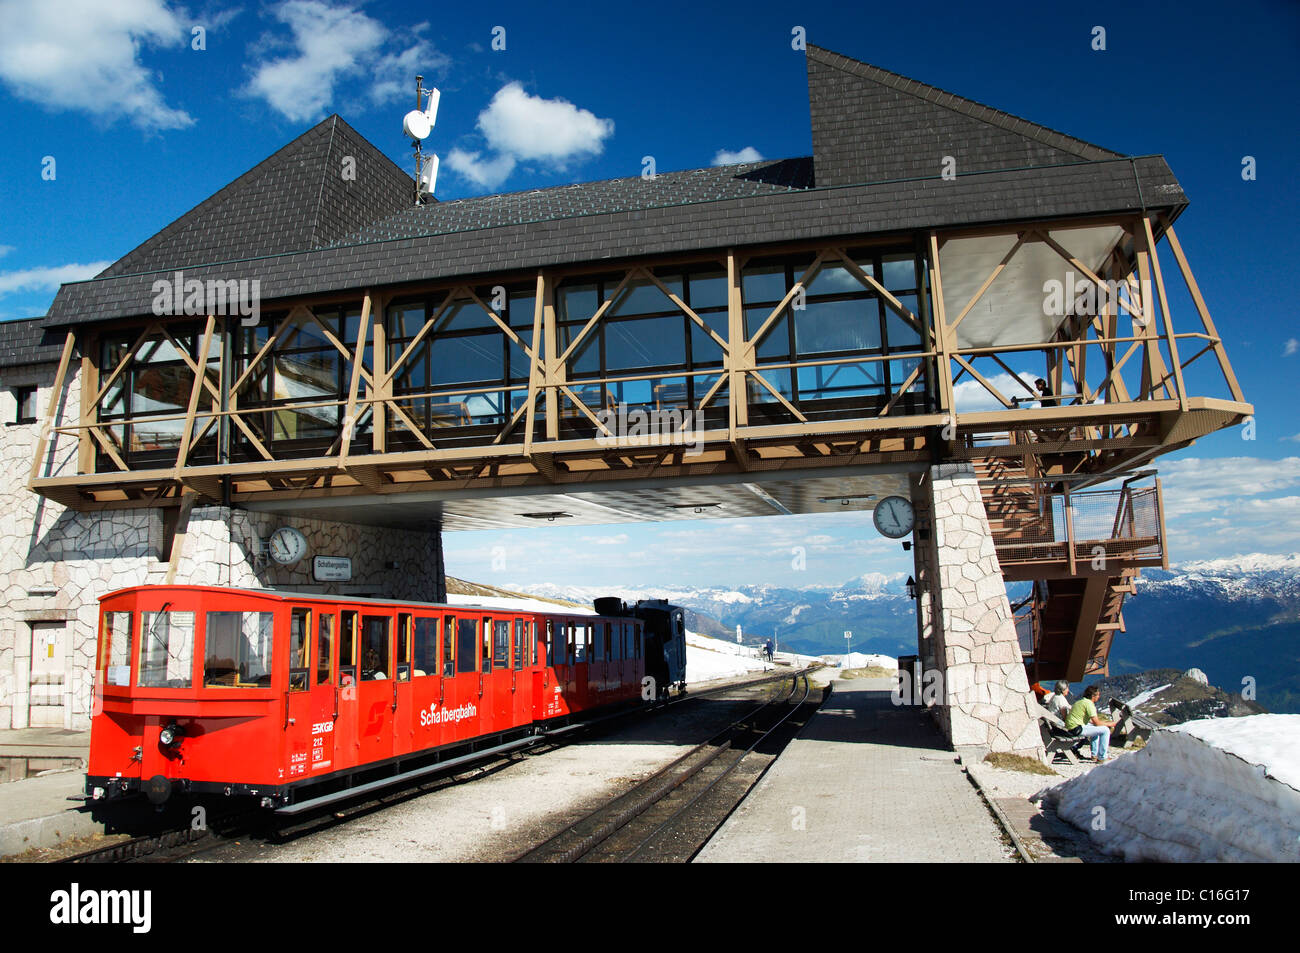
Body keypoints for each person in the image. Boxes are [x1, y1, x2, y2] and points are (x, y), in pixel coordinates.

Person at [1064, 685, 1118, 762]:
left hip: (1072, 727)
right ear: (1093, 696)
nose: (1099, 697)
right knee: (1105, 730)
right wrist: (1109, 724)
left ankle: (1094, 755)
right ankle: (1102, 757)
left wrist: (1105, 723)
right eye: (1098, 695)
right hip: (1076, 729)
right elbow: (1096, 723)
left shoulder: (1080, 701)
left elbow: (1093, 722)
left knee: (1096, 730)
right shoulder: (1089, 704)